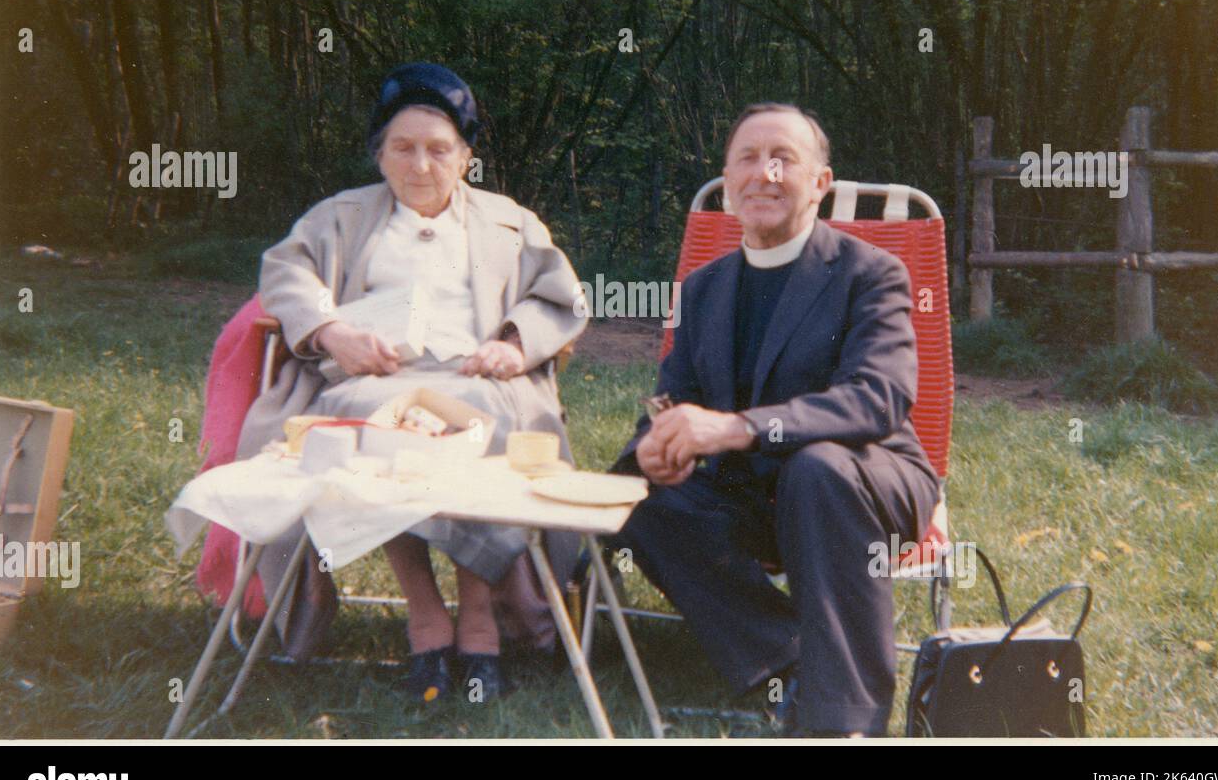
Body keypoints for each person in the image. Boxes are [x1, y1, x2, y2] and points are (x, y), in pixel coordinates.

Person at [235, 62, 587, 701]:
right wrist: (332, 332)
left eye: (438, 149)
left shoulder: (509, 221)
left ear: (466, 157)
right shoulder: (339, 216)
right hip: (373, 378)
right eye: (403, 148)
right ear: (379, 154)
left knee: (475, 421)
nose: (420, 165)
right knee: (379, 428)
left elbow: (558, 298)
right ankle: (426, 614)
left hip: (479, 379)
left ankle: (478, 618)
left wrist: (512, 344)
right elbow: (286, 276)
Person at [609, 103, 940, 737]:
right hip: (751, 493)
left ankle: (842, 722)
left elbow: (878, 398)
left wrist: (742, 428)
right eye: (748, 159)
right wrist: (656, 443)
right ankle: (790, 658)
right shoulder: (704, 289)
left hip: (864, 484)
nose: (764, 174)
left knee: (816, 469)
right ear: (728, 181)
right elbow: (674, 398)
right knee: (638, 495)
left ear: (820, 183)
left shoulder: (869, 273)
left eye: (783, 159)